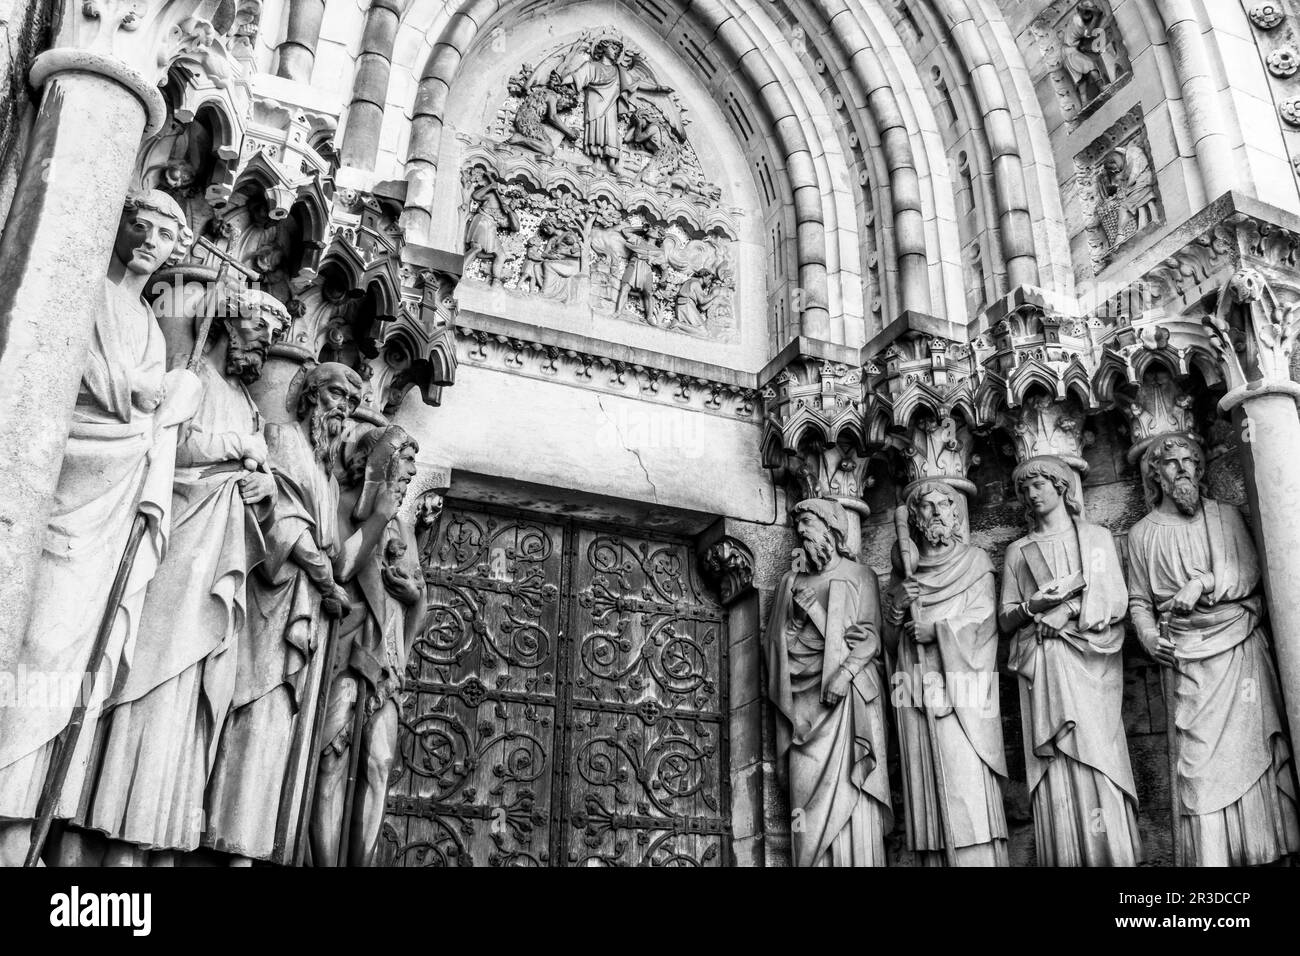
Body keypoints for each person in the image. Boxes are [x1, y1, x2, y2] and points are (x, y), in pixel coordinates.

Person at [0, 190, 200, 866]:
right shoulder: (83, 290)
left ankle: (27, 830)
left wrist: (170, 402)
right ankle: (9, 807)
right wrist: (150, 401)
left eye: (165, 233)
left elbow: (143, 406)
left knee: (81, 663)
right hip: (68, 502)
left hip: (112, 517)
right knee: (39, 648)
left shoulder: (149, 320)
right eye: (139, 225)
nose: (149, 240)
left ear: (180, 249)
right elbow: (67, 378)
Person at [75, 290, 288, 865]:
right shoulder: (191, 381)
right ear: (222, 322)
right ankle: (111, 841)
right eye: (254, 326)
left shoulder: (248, 405)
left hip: (218, 569)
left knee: (194, 705)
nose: (262, 342)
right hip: (175, 565)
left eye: (271, 333)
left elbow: (258, 481)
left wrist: (264, 490)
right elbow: (166, 446)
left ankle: (163, 840)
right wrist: (237, 449)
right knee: (151, 690)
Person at [1127, 435, 1299, 866]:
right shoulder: (1142, 534)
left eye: (1190, 461)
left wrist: (1202, 583)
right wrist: (1149, 637)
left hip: (1238, 647)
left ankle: (1264, 850)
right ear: (1156, 474)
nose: (1183, 469)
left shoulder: (1224, 517)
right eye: (1171, 463)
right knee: (1197, 767)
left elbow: (1251, 571)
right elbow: (1138, 601)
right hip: (1186, 660)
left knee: (1255, 751)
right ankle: (1213, 860)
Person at [1000, 455, 1143, 866]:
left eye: (1039, 485)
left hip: (1091, 661)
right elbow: (1006, 618)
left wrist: (1071, 609)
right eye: (1025, 489)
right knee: (1057, 761)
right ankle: (1066, 851)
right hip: (1044, 663)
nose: (1031, 494)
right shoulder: (1018, 552)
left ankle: (1112, 850)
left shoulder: (1095, 539)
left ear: (1061, 487)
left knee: (1099, 749)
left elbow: (1115, 599)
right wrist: (1032, 606)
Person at [884, 480, 1008, 866]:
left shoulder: (976, 564)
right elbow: (887, 645)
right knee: (929, 800)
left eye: (944, 505)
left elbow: (985, 622)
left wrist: (936, 631)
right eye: (927, 507)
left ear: (957, 514)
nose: (937, 512)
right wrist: (897, 607)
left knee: (965, 787)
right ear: (916, 520)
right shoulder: (903, 576)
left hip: (963, 694)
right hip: (916, 694)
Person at [764, 497, 891, 866]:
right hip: (804, 707)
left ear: (831, 530)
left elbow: (870, 638)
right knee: (804, 804)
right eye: (798, 525)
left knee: (855, 789)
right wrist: (800, 623)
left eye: (807, 522)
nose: (801, 532)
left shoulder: (859, 576)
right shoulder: (790, 582)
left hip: (848, 702)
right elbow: (774, 645)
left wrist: (845, 673)